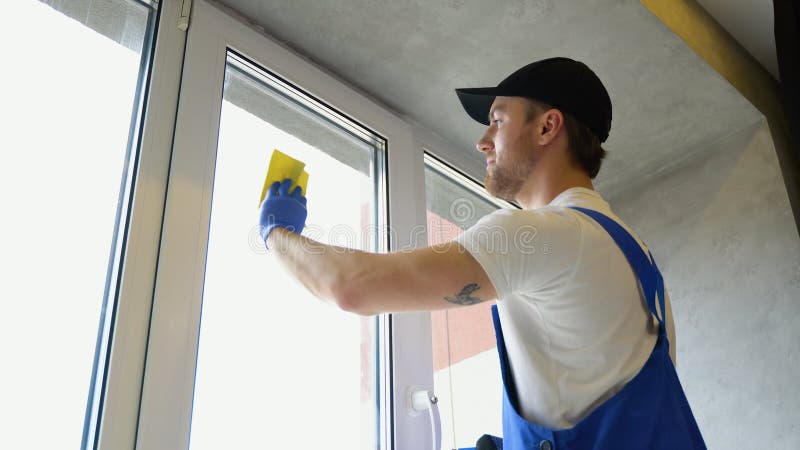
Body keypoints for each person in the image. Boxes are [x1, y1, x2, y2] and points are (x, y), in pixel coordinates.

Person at [258, 57, 706, 449]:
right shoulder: (637, 260)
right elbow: (596, 407)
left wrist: (277, 233)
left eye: (497, 120)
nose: (483, 141)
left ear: (548, 127)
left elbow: (351, 288)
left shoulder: (541, 233)